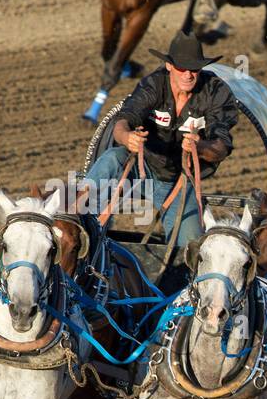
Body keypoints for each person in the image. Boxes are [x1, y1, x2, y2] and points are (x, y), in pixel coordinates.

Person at [84, 31, 238, 253]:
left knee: (190, 247)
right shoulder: (154, 84)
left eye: (193, 69)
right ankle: (75, 213)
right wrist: (127, 137)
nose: (188, 75)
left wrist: (200, 147)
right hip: (139, 167)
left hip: (178, 181)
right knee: (111, 159)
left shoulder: (216, 91)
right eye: (182, 68)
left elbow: (222, 147)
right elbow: (123, 120)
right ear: (169, 66)